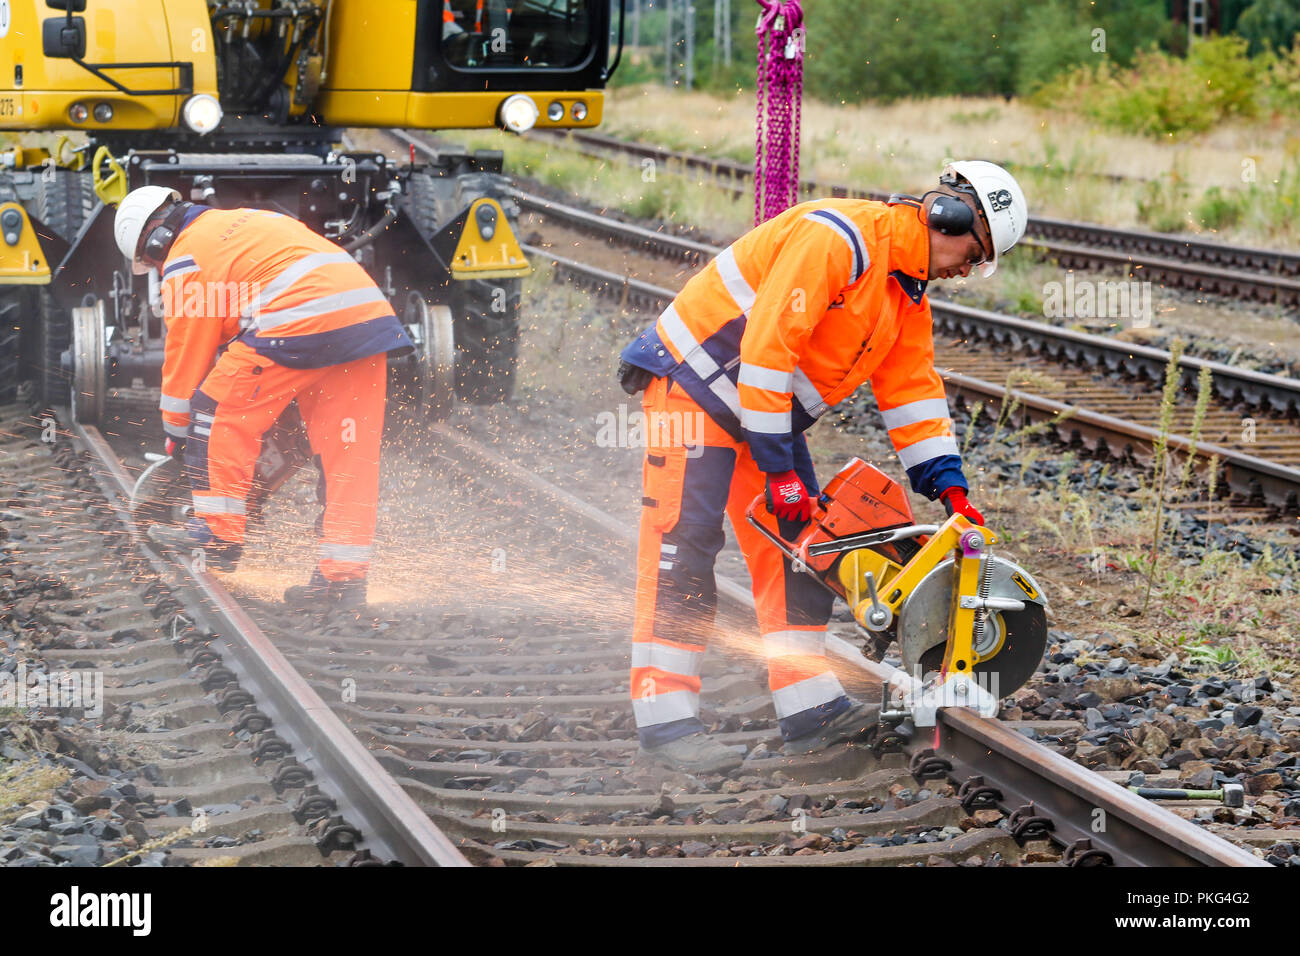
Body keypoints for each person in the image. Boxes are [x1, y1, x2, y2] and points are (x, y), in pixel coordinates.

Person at [617, 161, 1028, 773]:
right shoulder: (837, 239)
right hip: (694, 387)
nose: (967, 270)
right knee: (685, 544)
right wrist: (780, 470)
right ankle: (666, 723)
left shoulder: (904, 294)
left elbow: (912, 390)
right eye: (975, 254)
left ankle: (809, 708)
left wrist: (950, 485)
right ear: (950, 217)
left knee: (807, 549)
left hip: (761, 410)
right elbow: (765, 350)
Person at [113, 186, 413, 609]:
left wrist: (177, 436)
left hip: (303, 317)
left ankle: (217, 535)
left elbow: (186, 359)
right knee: (348, 456)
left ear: (157, 238)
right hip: (366, 320)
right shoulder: (245, 222)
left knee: (214, 411)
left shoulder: (184, 256)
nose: (158, 267)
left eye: (152, 259)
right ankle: (342, 582)